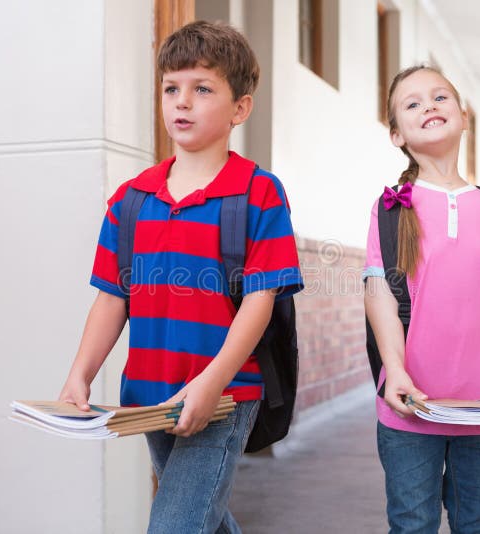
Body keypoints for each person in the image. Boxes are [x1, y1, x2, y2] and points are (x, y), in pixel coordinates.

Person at [58, 21, 303, 534]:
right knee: (200, 521)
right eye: (172, 88)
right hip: (148, 396)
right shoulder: (131, 200)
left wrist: (212, 384)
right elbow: (111, 299)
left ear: (241, 108)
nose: (182, 102)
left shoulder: (258, 193)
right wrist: (80, 373)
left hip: (226, 393)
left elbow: (260, 300)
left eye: (202, 88)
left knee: (175, 526)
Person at [363, 65, 480, 533]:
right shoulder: (391, 207)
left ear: (463, 117)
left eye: (440, 98)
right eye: (413, 103)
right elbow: (379, 295)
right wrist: (394, 369)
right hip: (410, 405)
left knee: (477, 520)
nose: (430, 107)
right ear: (397, 135)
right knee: (412, 523)